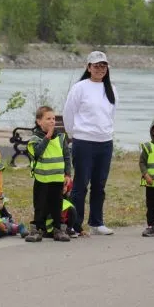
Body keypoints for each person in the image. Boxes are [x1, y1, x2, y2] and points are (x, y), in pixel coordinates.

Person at [62, 51, 117, 237]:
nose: (100, 69)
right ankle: (75, 224)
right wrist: (73, 135)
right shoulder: (80, 88)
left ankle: (97, 222)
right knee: (80, 184)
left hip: (105, 142)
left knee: (99, 185)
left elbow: (110, 115)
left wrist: (107, 133)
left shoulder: (111, 89)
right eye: (96, 66)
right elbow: (69, 113)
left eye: (103, 66)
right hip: (84, 141)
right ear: (88, 68)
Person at [27, 106, 72, 243]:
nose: (52, 121)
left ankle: (58, 229)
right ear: (39, 121)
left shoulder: (60, 137)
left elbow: (66, 156)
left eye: (53, 119)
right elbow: (37, 152)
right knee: (40, 204)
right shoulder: (35, 138)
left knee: (56, 204)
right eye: (48, 119)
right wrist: (47, 137)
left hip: (57, 178)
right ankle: (37, 229)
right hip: (42, 178)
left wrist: (67, 175)